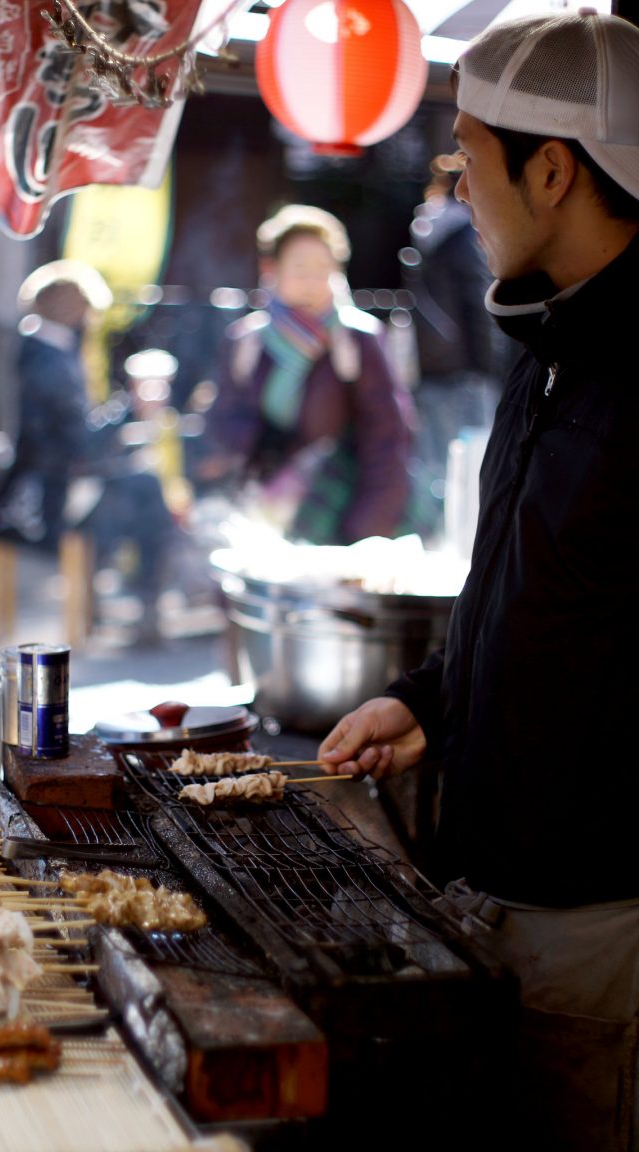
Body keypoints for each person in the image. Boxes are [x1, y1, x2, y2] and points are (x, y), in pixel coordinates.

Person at [316, 10, 639, 1149]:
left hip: (597, 924)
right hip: (500, 891)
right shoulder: (550, 347)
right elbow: (544, 594)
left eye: (467, 159)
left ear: (552, 172)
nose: (455, 190)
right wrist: (432, 702)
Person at [0, 258, 177, 642]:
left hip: (47, 482)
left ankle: (108, 598)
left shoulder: (38, 350)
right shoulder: (49, 361)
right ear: (75, 308)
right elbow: (81, 441)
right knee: (146, 491)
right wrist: (131, 404)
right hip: (50, 494)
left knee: (136, 486)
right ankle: (142, 604)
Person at [195, 204, 413, 545]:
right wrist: (259, 446)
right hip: (262, 506)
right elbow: (223, 419)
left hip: (337, 508)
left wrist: (365, 530)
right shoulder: (247, 340)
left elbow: (387, 438)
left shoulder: (357, 339)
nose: (312, 281)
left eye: (323, 269)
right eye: (300, 268)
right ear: (271, 268)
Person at [399, 152, 513, 543]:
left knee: (434, 462)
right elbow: (479, 308)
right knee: (473, 460)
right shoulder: (465, 235)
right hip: (467, 369)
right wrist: (493, 370)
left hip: (430, 364)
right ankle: (463, 543)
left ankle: (432, 537)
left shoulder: (425, 230)